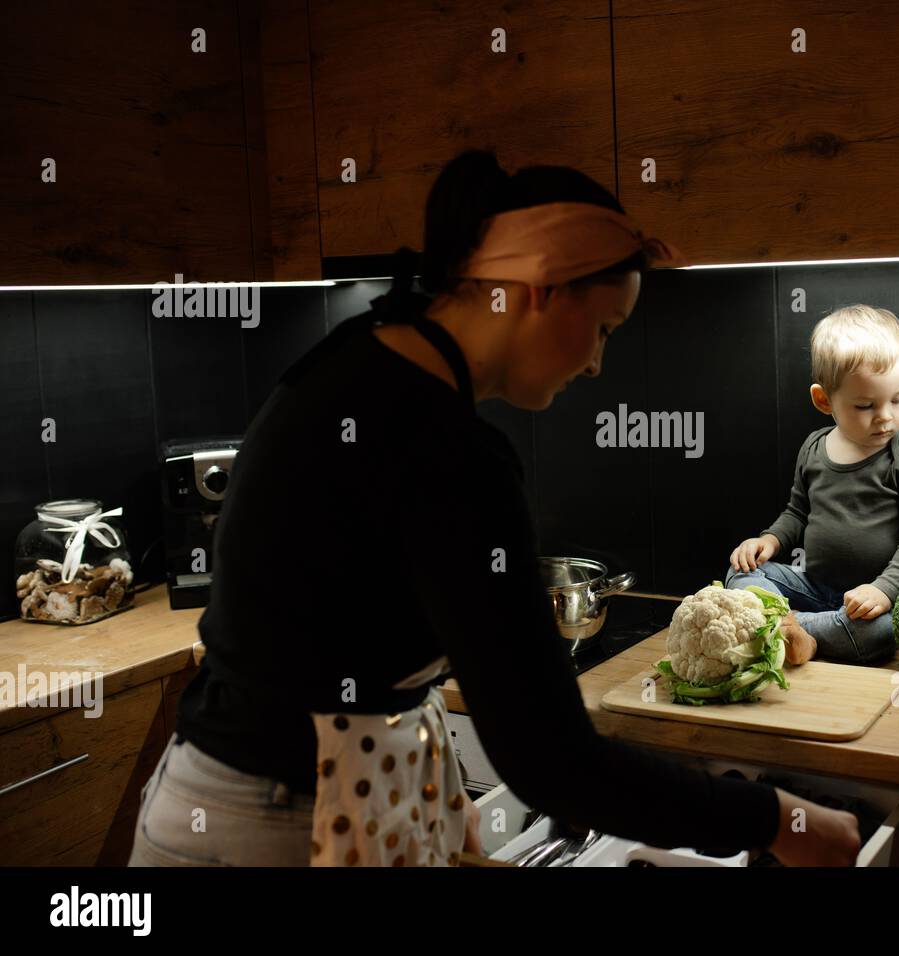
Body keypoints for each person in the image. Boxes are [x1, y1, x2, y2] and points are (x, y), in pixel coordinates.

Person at [128, 149, 862, 867]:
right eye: (604, 328)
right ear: (540, 289)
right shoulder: (448, 449)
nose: (598, 364)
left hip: (266, 794)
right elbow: (549, 758)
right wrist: (779, 819)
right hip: (274, 826)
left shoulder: (356, 358)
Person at [725, 305, 899, 665]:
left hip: (876, 602)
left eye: (897, 399)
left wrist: (883, 589)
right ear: (824, 400)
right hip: (812, 589)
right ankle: (801, 628)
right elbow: (797, 512)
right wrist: (770, 539)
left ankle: (791, 630)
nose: (886, 416)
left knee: (880, 634)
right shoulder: (814, 447)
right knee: (743, 571)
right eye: (865, 405)